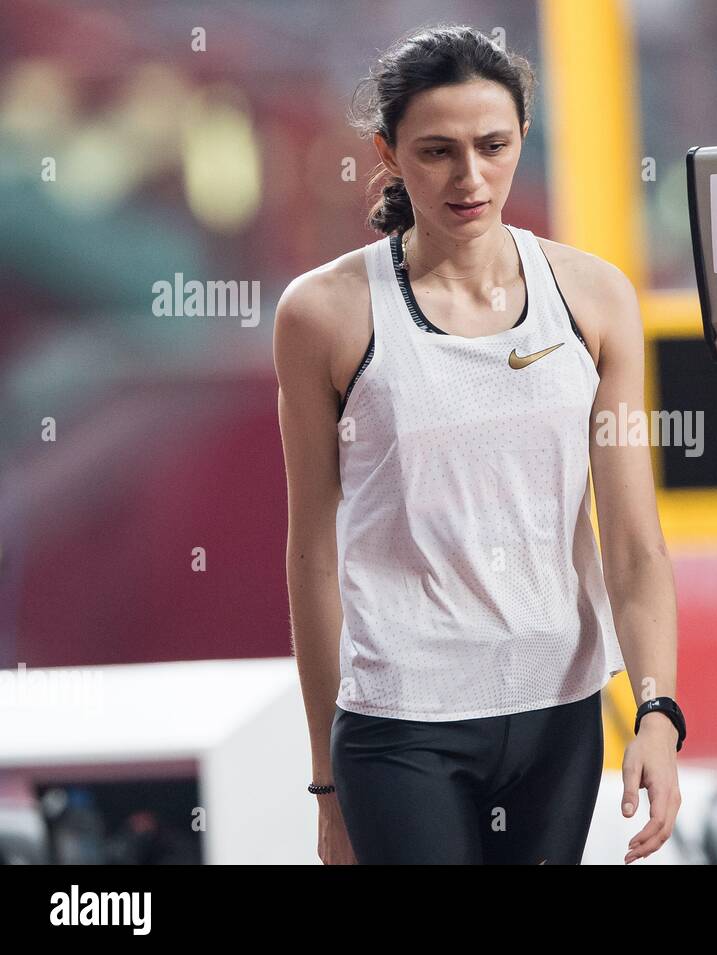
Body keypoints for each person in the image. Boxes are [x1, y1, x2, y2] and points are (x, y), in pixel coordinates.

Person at [273, 24, 684, 864]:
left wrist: (657, 711)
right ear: (388, 154)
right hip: (401, 724)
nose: (471, 178)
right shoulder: (324, 312)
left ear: (523, 138)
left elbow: (635, 544)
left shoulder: (596, 297)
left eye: (493, 146)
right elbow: (312, 554)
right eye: (437, 152)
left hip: (561, 712)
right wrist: (326, 783)